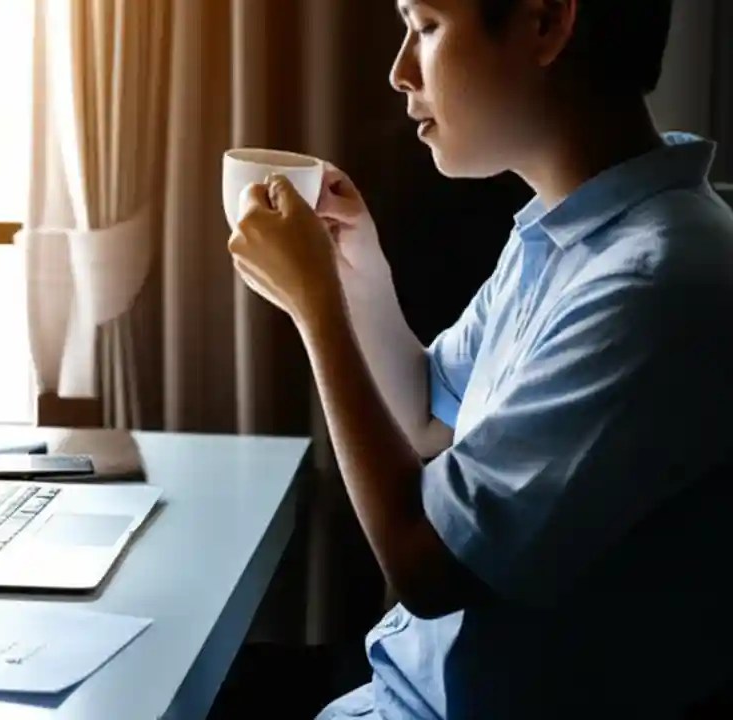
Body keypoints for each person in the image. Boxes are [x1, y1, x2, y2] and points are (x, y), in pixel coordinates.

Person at [219, 0, 733, 717]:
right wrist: (352, 272)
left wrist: (317, 313)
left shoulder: (651, 282)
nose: (400, 72)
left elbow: (425, 563)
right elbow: (426, 418)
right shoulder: (569, 235)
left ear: (545, 23)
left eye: (424, 27)